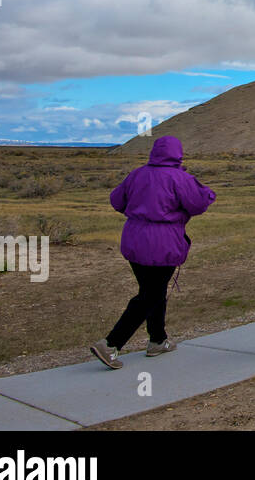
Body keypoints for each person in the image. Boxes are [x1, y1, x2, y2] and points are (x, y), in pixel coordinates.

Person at [91, 136, 214, 370]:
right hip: (162, 243)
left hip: (134, 239)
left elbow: (116, 201)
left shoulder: (137, 174)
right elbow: (198, 204)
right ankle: (111, 344)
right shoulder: (180, 178)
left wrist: (140, 210)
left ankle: (158, 339)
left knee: (152, 291)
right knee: (150, 295)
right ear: (177, 153)